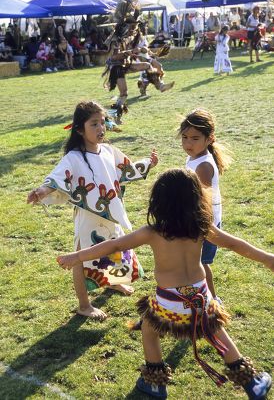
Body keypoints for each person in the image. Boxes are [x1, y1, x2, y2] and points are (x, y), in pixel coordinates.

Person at [57, 168, 273, 399]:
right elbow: (237, 245)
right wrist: (268, 259)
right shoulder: (201, 227)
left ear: (159, 201)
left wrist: (77, 257)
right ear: (196, 198)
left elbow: (114, 246)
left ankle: (155, 384)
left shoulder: (153, 232)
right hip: (201, 295)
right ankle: (252, 383)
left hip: (170, 300)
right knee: (215, 330)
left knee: (149, 330)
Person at [27, 101, 158, 320]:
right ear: (80, 129)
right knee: (80, 257)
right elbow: (60, 177)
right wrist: (42, 190)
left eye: (103, 123)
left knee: (114, 246)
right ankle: (84, 305)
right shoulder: (73, 158)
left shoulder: (109, 150)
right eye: (94, 124)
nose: (101, 128)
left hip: (111, 212)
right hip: (88, 216)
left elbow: (126, 170)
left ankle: (114, 282)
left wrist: (147, 164)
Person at [178, 108, 231, 303]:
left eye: (194, 138)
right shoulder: (194, 157)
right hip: (196, 219)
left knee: (201, 263)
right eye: (184, 137)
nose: (188, 143)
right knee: (192, 262)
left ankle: (213, 299)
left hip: (204, 223)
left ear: (209, 139)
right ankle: (194, 295)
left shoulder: (204, 166)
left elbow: (202, 200)